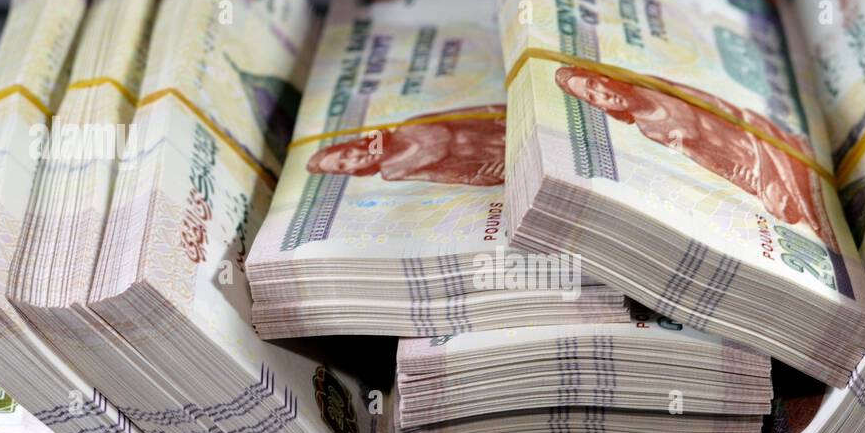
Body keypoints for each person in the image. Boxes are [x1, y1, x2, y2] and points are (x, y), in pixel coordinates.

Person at [553, 65, 837, 249]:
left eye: (594, 83)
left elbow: (715, 104)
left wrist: (759, 135)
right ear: (598, 107)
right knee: (790, 208)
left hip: (758, 136)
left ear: (603, 76)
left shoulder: (650, 83)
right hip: (756, 169)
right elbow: (715, 163)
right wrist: (759, 186)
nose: (602, 93)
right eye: (592, 97)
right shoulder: (651, 129)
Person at [307, 105, 506, 186]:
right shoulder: (394, 172)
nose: (354, 159)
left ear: (353, 144)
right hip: (503, 162)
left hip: (508, 126)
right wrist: (483, 177)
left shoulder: (411, 126)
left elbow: (474, 113)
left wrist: (505, 114)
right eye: (343, 166)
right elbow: (447, 177)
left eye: (346, 152)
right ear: (351, 171)